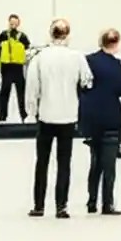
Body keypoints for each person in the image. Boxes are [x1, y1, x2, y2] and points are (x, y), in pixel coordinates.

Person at [26, 18, 93, 219]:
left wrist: (31, 111)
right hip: (68, 115)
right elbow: (87, 81)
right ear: (68, 34)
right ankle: (61, 206)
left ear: (50, 34)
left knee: (42, 162)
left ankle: (38, 206)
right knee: (64, 163)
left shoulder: (40, 57)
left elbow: (32, 88)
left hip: (46, 115)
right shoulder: (77, 57)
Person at [79, 28, 121, 215]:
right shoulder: (116, 65)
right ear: (116, 43)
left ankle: (91, 201)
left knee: (95, 162)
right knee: (109, 164)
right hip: (110, 118)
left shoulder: (89, 60)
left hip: (92, 118)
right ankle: (107, 203)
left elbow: (82, 85)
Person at [0, 14, 32, 122]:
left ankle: (23, 114)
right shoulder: (3, 35)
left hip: (18, 67)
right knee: (5, 92)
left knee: (21, 93)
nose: (13, 25)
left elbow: (28, 49)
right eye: (11, 23)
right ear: (8, 23)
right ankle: (2, 116)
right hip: (6, 67)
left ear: (18, 23)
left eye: (15, 23)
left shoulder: (22, 36)